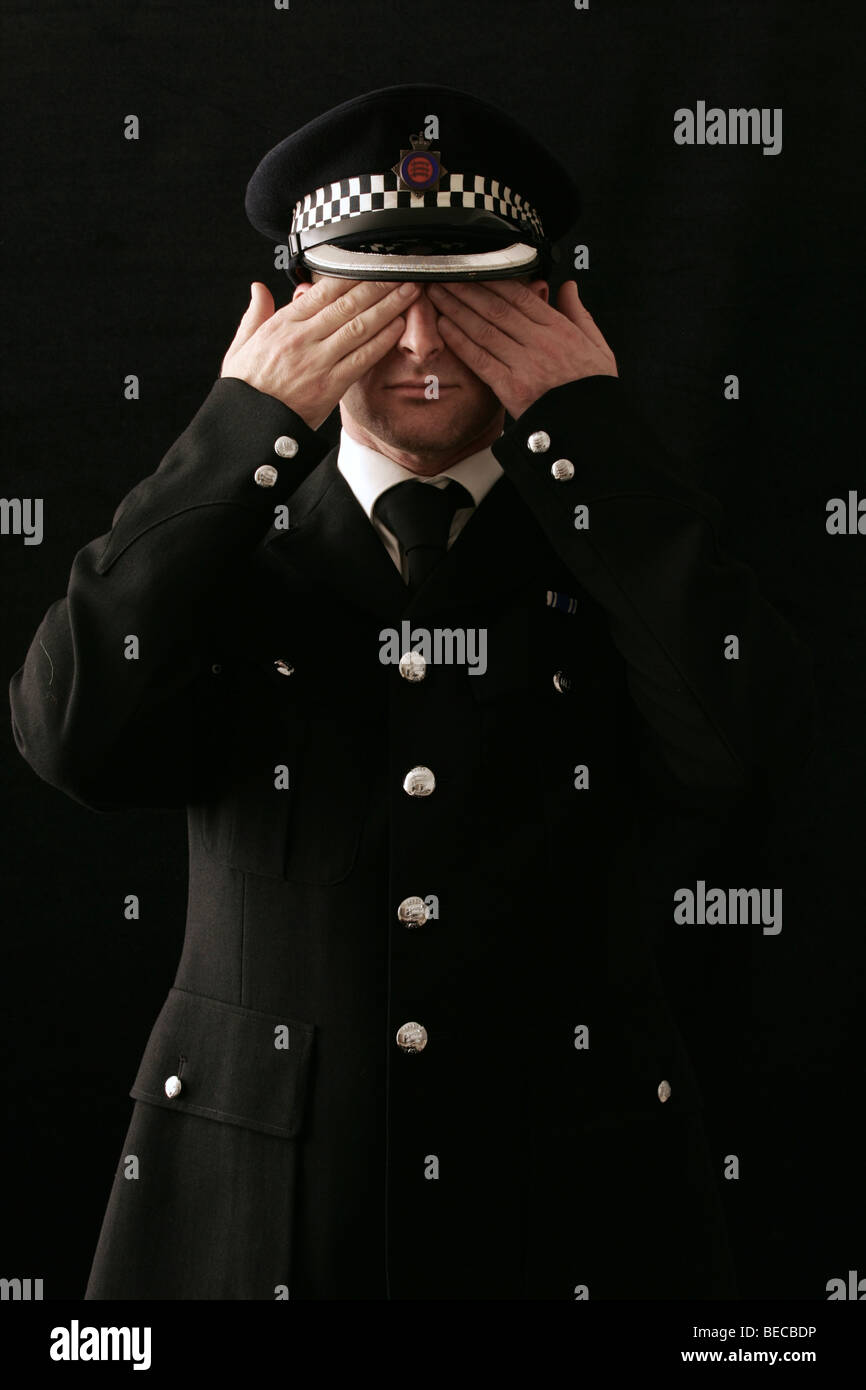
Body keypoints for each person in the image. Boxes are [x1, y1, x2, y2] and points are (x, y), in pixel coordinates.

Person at [8, 82, 814, 1300]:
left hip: (569, 1209)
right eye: (374, 303)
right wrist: (237, 432)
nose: (424, 348)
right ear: (288, 317)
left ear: (548, 307)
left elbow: (741, 752)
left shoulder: (613, 541)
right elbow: (69, 737)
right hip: (248, 1216)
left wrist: (590, 432)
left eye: (471, 301)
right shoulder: (223, 548)